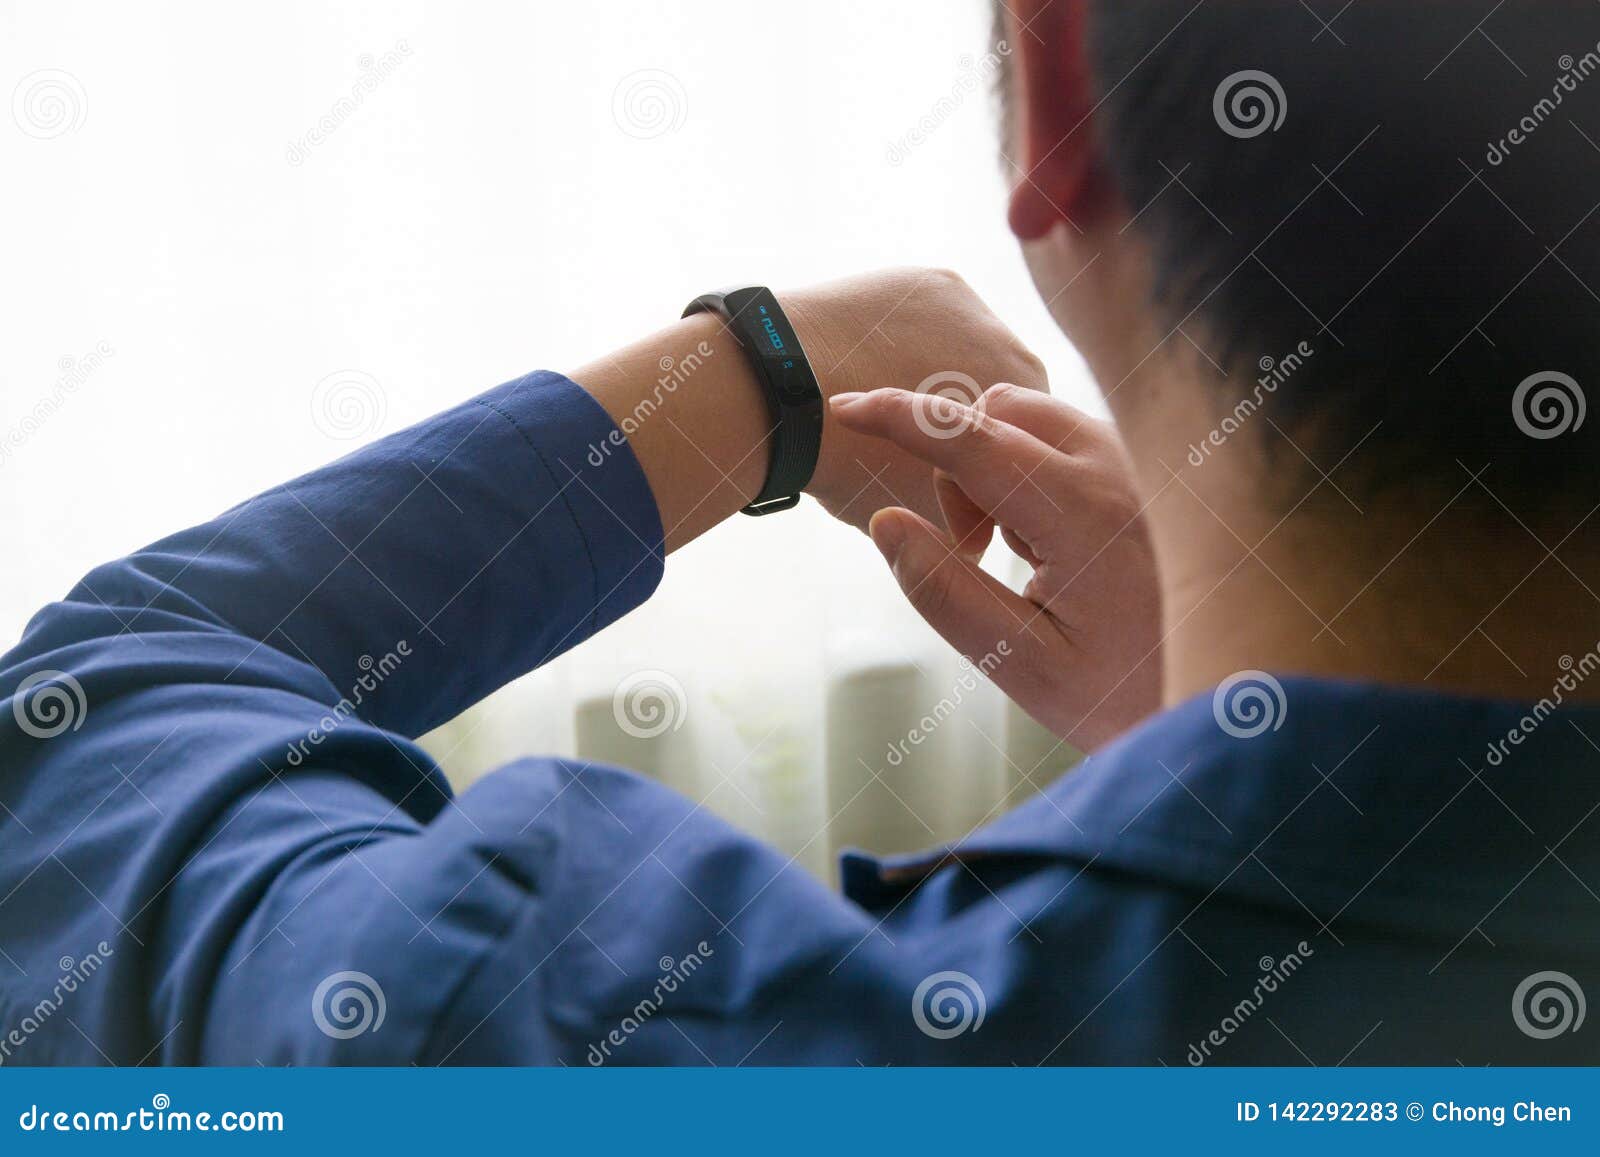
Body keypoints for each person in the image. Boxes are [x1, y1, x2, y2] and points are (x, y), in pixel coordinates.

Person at [2, 0, 1597, 1065]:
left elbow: (88, 726)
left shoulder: (582, 1019)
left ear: (1059, 96)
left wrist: (761, 374)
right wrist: (1244, 747)